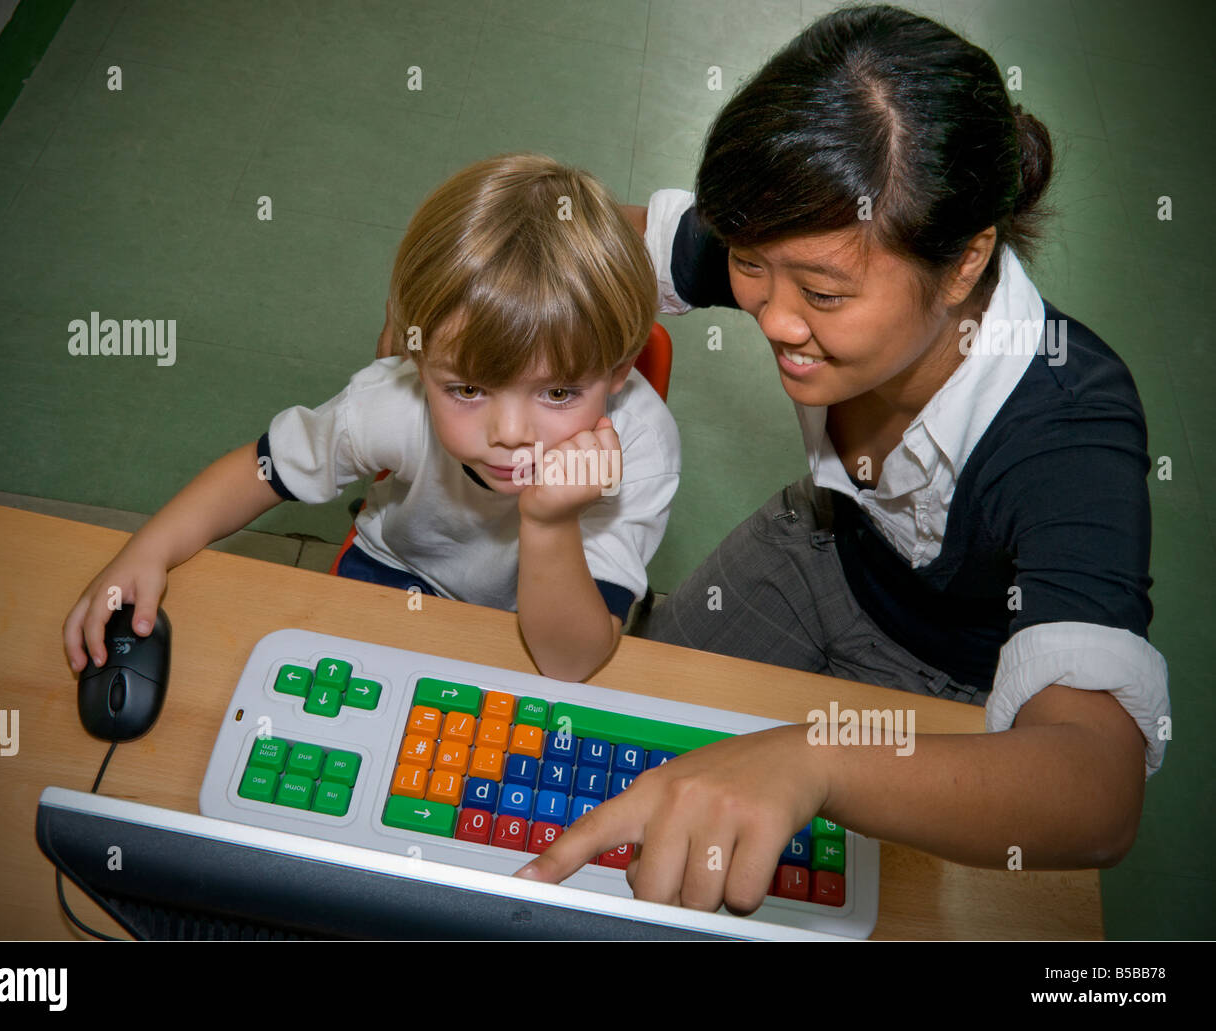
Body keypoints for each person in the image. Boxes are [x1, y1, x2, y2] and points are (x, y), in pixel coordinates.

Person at [516, 5, 1168, 911]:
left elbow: (1097, 790)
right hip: (819, 541)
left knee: (862, 898)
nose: (776, 319)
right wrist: (465, 283)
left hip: (953, 667)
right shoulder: (800, 238)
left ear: (966, 260)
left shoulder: (1070, 423)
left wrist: (814, 755)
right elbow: (596, 234)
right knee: (643, 724)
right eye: (749, 263)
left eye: (824, 291)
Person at [62, 154, 679, 684]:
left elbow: (569, 662)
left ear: (620, 371)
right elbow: (259, 470)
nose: (511, 433)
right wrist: (148, 549)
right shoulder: (394, 401)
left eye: (559, 393)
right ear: (417, 355)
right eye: (467, 388)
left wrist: (549, 522)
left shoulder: (642, 452)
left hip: (544, 625)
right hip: (393, 571)